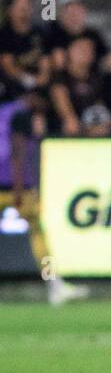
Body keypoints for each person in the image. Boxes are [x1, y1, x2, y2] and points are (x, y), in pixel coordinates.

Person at [0, 91, 87, 304]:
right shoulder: (21, 115)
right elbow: (18, 150)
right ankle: (54, 284)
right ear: (32, 97)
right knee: (38, 235)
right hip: (14, 186)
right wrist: (20, 188)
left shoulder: (4, 112)